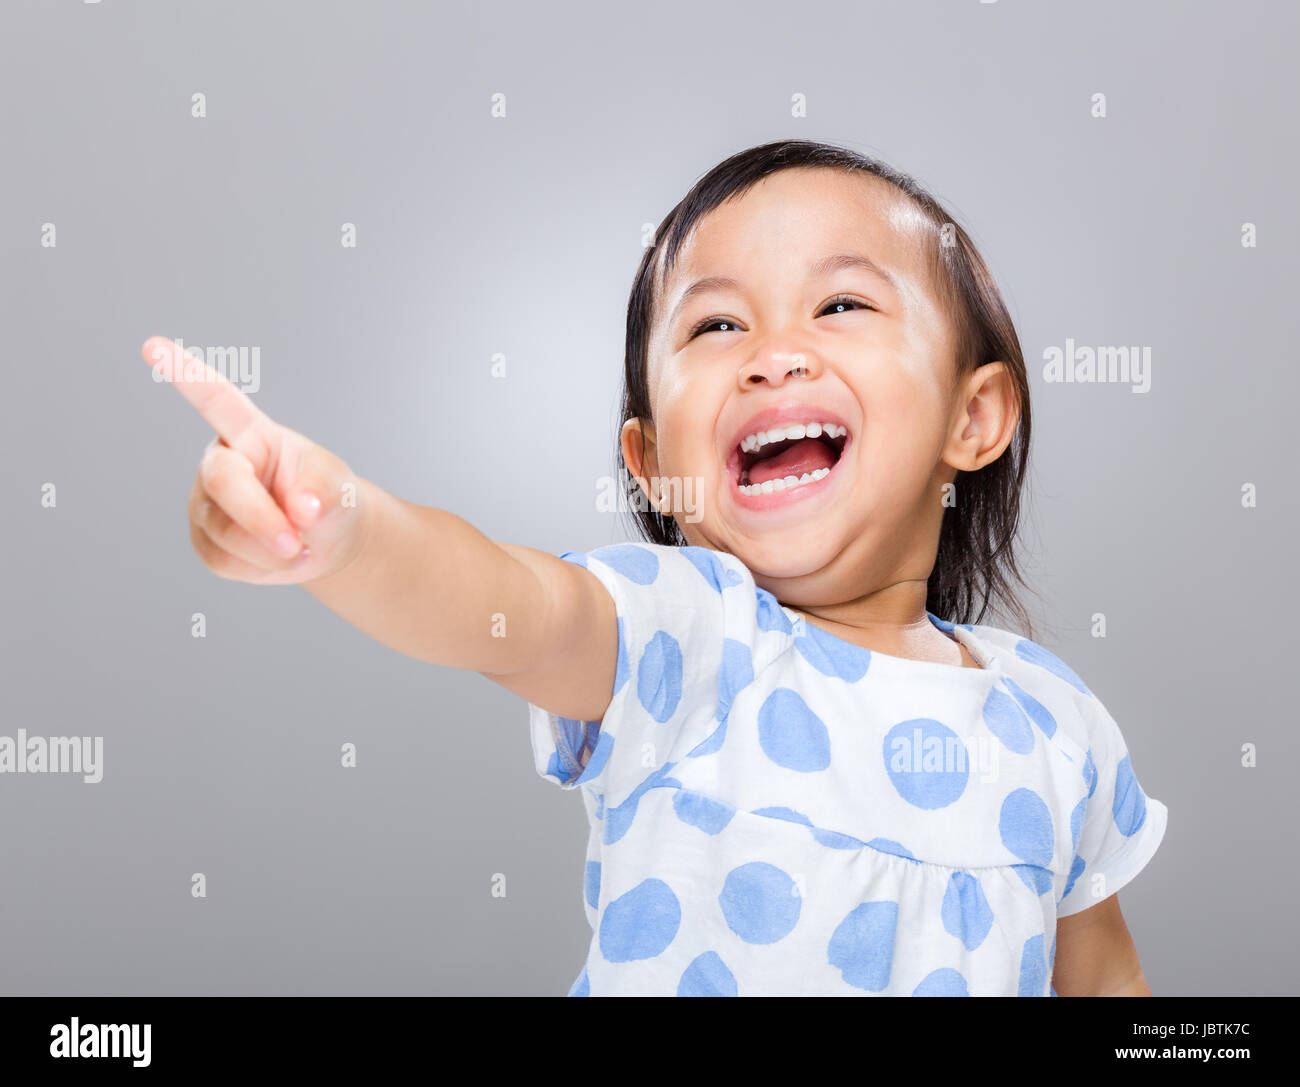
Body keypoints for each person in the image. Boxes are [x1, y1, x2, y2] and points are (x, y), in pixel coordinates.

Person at [141, 139, 1167, 997]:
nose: (773, 354)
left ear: (973, 416)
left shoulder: (1055, 723)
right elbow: (508, 603)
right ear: (650, 460)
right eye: (717, 325)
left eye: (841, 305)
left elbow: (1108, 983)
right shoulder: (692, 637)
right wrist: (349, 529)